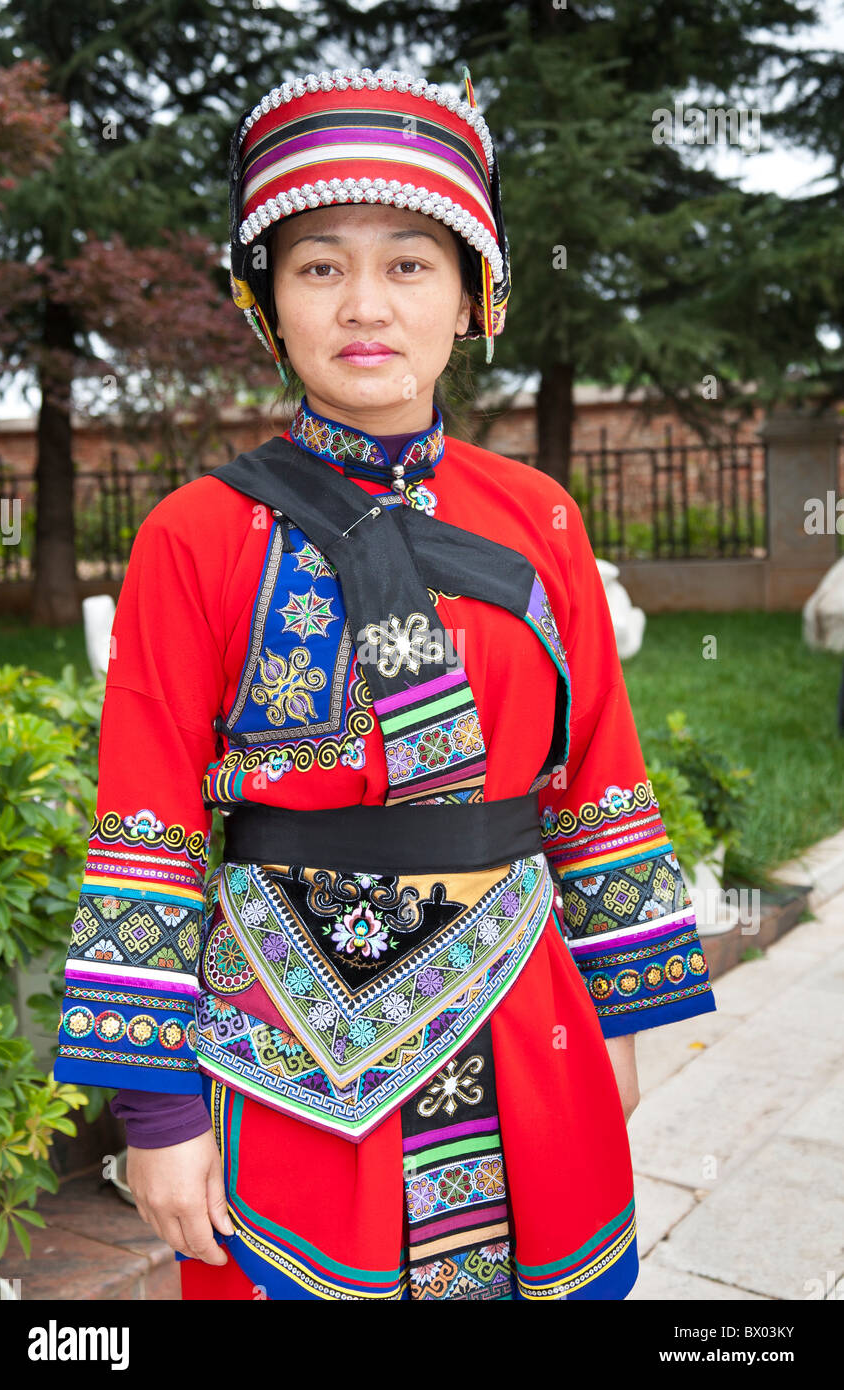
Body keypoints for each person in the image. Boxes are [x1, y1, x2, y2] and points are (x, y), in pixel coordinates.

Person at [53, 65, 716, 1302]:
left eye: (411, 262)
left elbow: (596, 784)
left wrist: (614, 1019)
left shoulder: (540, 522)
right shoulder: (194, 536)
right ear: (268, 310)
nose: (365, 303)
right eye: (316, 266)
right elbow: (144, 828)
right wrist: (157, 1119)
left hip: (524, 1021)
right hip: (282, 1059)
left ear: (474, 297)